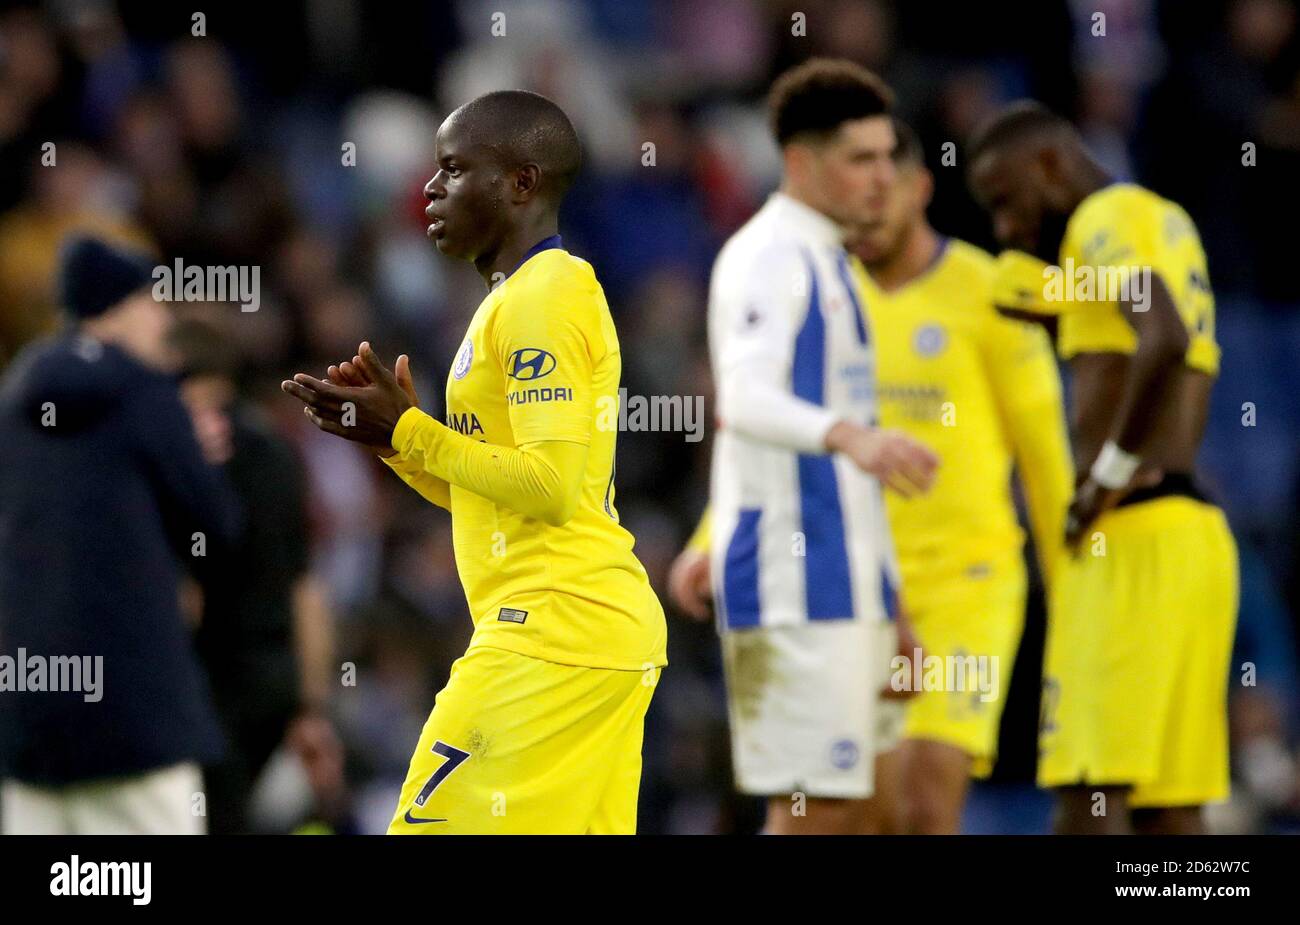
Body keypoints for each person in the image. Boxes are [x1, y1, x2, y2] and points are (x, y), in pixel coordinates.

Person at [281, 90, 667, 834]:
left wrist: (416, 430)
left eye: (454, 170)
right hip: (588, 633)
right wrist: (394, 442)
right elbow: (504, 496)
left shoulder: (541, 299)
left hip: (552, 633)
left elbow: (549, 488)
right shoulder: (521, 298)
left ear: (521, 183)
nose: (430, 189)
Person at [670, 123, 1072, 834]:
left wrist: (1076, 604)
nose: (865, 221)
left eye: (881, 202)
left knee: (923, 800)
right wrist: (712, 532)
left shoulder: (993, 295)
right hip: (842, 579)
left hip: (964, 588)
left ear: (919, 189)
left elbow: (1047, 466)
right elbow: (767, 422)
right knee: (838, 807)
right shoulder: (819, 291)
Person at [967, 101, 1237, 834]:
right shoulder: (1157, 221)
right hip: (1191, 537)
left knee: (1087, 800)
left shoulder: (1104, 215)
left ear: (1050, 165)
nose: (1007, 227)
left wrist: (1104, 478)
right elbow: (1129, 327)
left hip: (1129, 535)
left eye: (1007, 202)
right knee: (1170, 815)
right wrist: (1036, 297)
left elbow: (1163, 338)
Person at [697, 59, 937, 836]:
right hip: (791, 587)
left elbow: (850, 470)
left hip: (849, 587)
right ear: (801, 163)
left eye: (888, 157)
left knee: (884, 809)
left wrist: (891, 602)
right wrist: (850, 435)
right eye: (860, 159)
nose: (882, 178)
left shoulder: (833, 262)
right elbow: (744, 396)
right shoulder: (768, 255)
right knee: (815, 812)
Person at [0, 236, 238, 834]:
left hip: (28, 725)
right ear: (119, 307)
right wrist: (196, 459)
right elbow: (219, 528)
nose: (161, 320)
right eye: (151, 302)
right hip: (138, 717)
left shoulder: (13, 400)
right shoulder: (147, 393)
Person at [173, 318, 346, 834]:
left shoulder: (186, 449)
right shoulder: (275, 449)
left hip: (204, 683)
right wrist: (312, 705)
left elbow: (186, 596)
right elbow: (307, 589)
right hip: (274, 684)